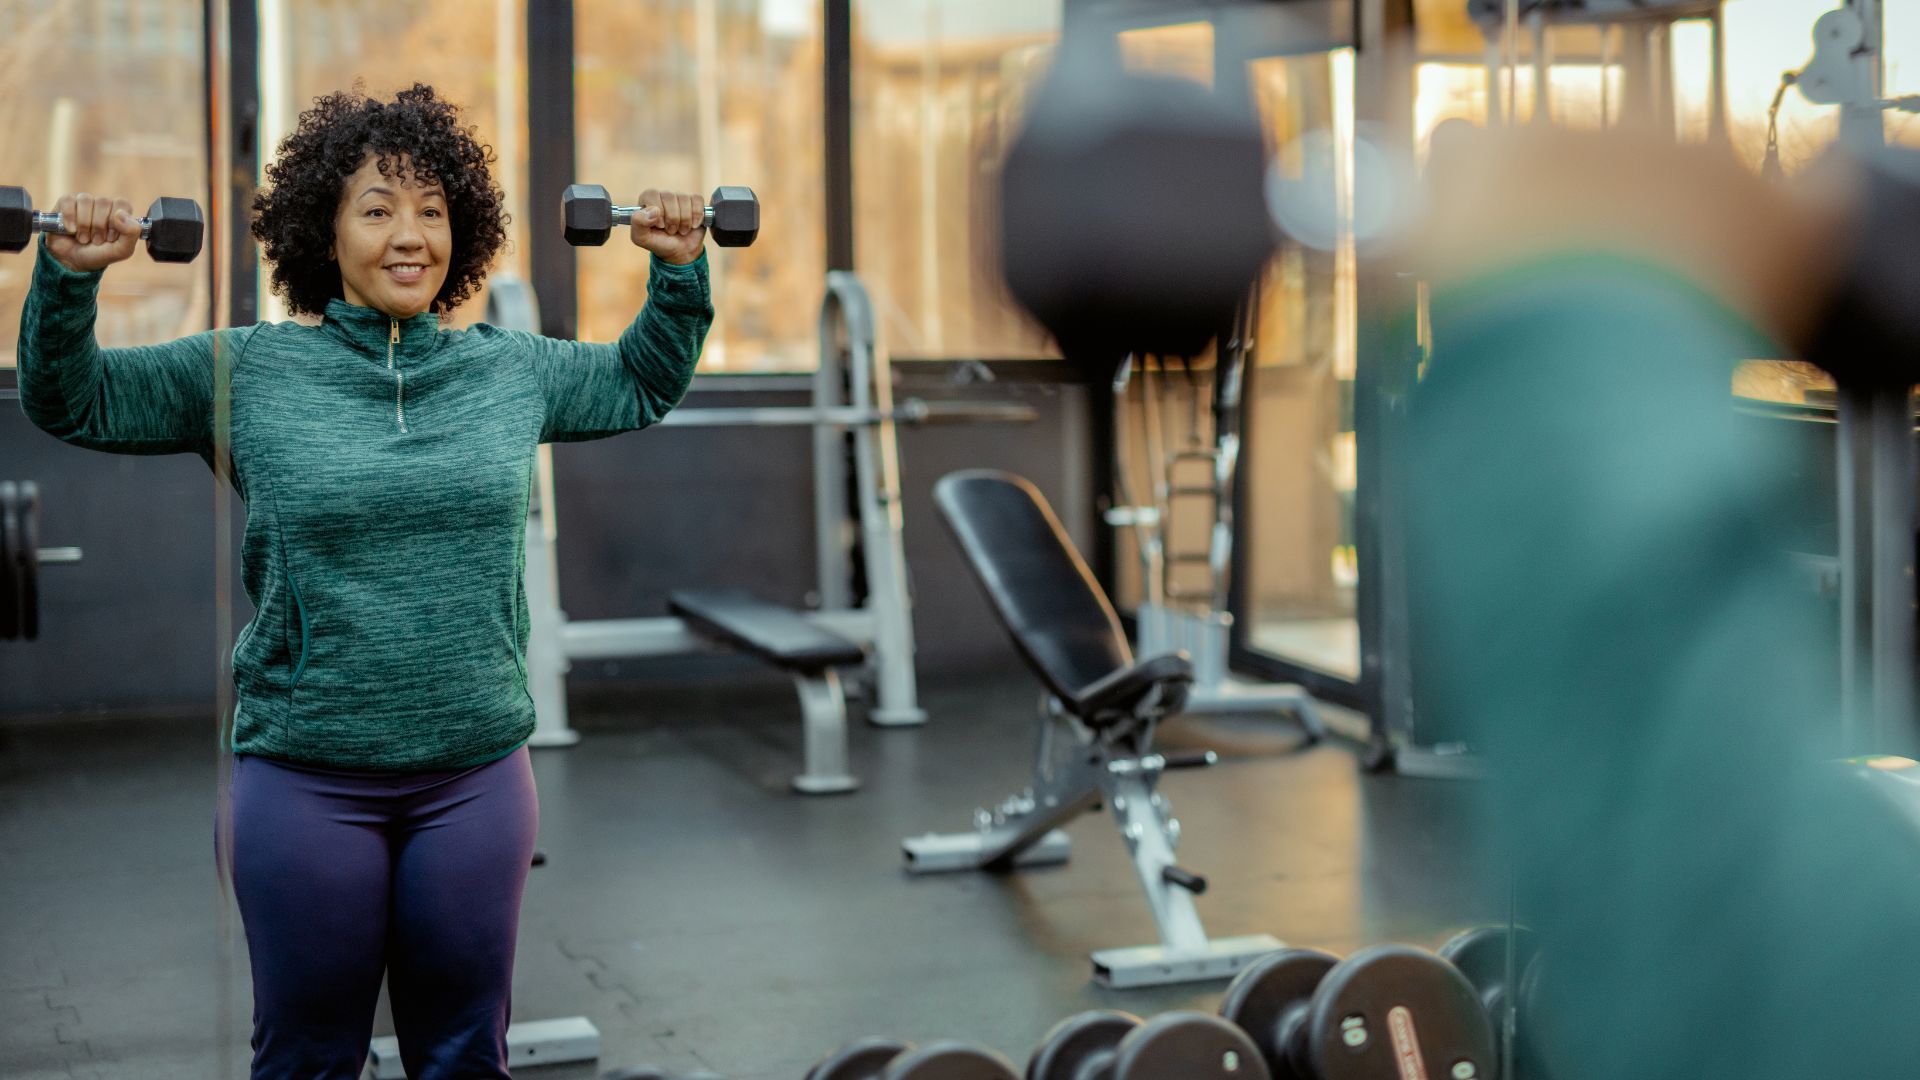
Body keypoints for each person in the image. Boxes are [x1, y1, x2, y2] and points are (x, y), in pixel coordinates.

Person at [14, 83, 715, 1080]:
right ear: (325, 232)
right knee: (306, 1058)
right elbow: (72, 400)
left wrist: (680, 271)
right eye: (378, 208)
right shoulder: (248, 371)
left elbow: (644, 379)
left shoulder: (508, 370)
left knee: (467, 1054)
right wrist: (70, 279)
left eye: (432, 210)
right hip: (306, 780)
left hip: (474, 778)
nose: (410, 235)